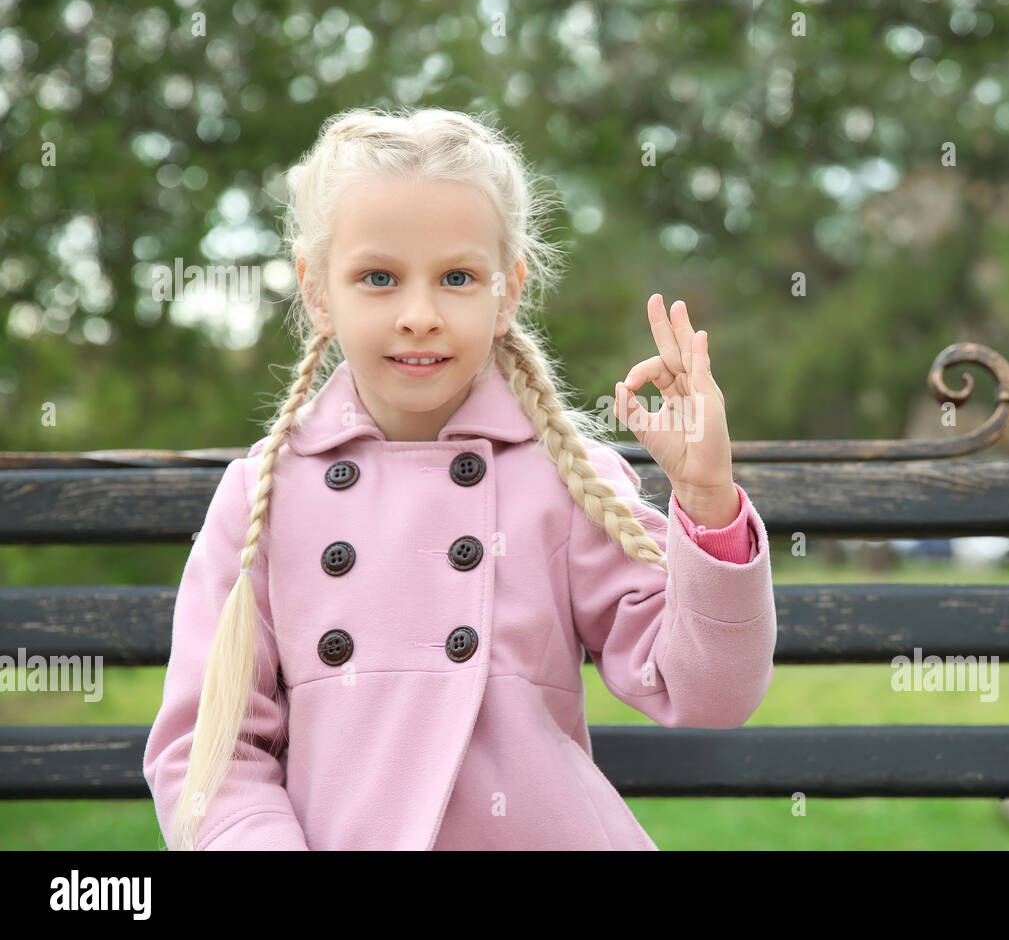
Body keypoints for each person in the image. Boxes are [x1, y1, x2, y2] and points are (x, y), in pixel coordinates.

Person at [143, 106, 778, 850]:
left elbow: (710, 694)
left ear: (507, 291)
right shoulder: (263, 497)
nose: (420, 315)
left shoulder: (568, 482)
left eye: (457, 277)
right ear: (318, 290)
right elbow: (209, 756)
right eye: (378, 277)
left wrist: (705, 500)